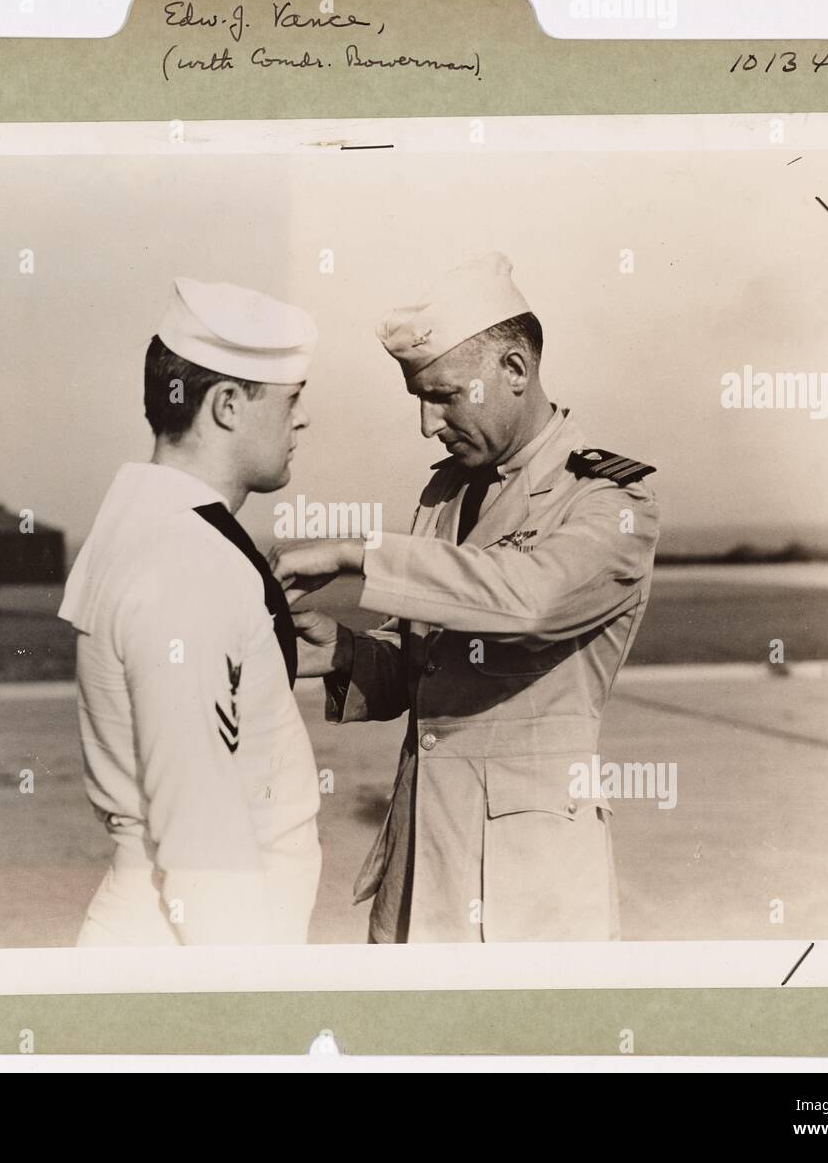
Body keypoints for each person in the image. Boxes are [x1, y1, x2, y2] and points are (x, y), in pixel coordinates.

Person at [270, 252, 659, 944]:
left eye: (445, 395)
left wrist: (359, 553)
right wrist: (343, 651)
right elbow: (430, 666)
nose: (427, 423)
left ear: (515, 369)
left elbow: (528, 601)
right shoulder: (448, 491)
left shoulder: (608, 502)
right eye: (419, 398)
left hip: (527, 893)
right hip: (420, 867)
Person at [59, 276, 321, 945]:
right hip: (185, 944)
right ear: (228, 406)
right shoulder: (188, 566)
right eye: (291, 401)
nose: (302, 420)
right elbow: (200, 835)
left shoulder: (155, 533)